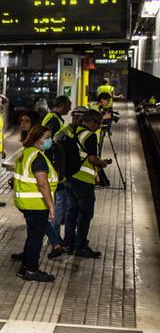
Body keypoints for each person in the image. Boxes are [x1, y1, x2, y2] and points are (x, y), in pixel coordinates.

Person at [62, 109, 114, 258]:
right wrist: (102, 164)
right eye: (98, 123)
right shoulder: (90, 136)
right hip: (83, 180)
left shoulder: (74, 131)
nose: (99, 127)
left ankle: (69, 243)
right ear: (91, 121)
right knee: (85, 215)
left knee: (71, 213)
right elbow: (91, 158)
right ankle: (80, 246)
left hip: (70, 178)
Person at [13, 125, 60, 282]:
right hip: (36, 203)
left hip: (25, 201)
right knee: (36, 238)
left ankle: (25, 266)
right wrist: (51, 205)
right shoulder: (37, 157)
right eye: (47, 137)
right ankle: (32, 270)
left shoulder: (24, 152)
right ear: (38, 139)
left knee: (32, 235)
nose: (49, 140)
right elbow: (42, 184)